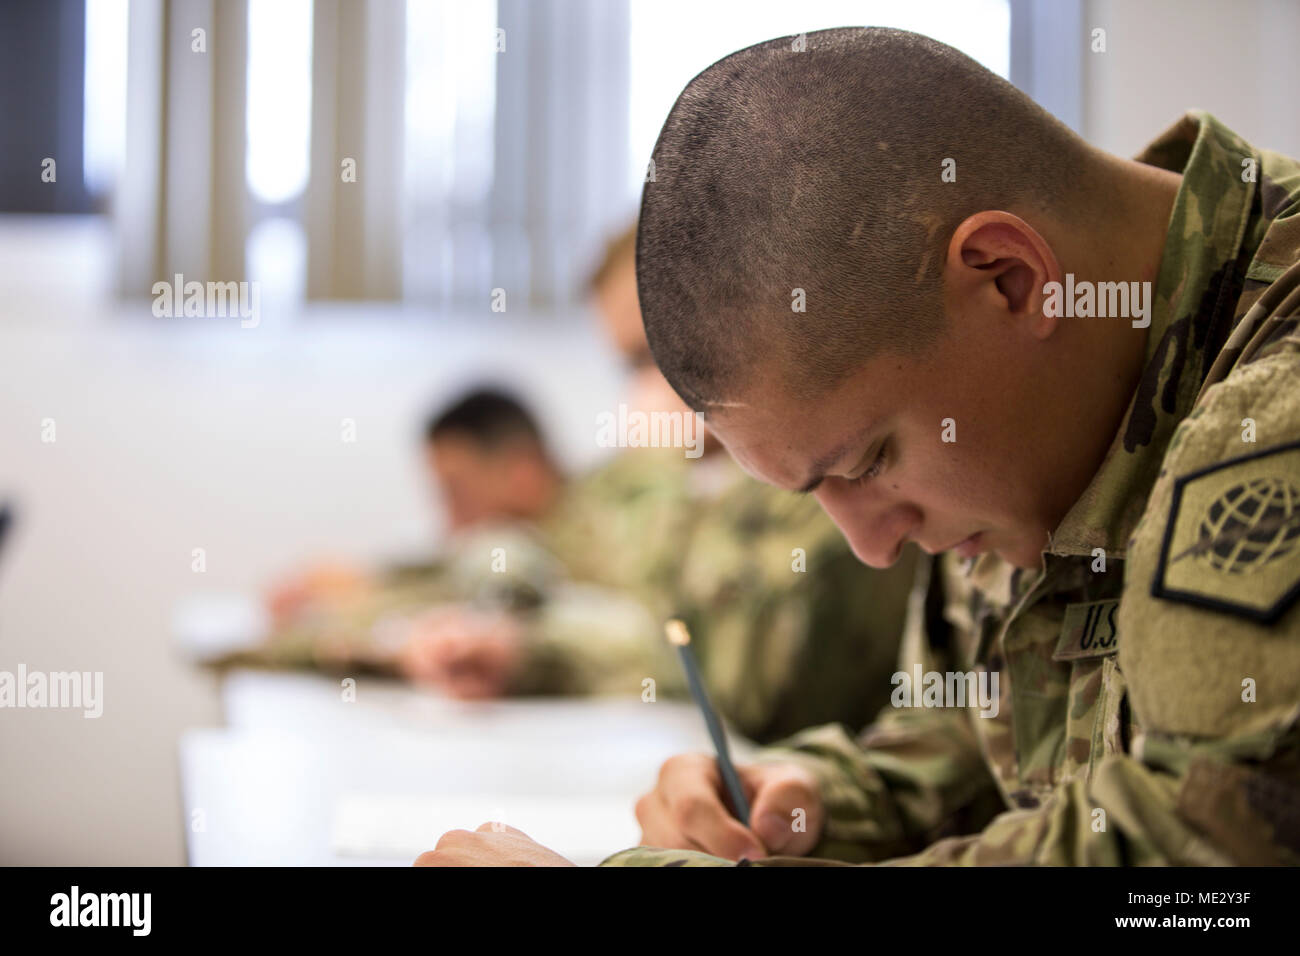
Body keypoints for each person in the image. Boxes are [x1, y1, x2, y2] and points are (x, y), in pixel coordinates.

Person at [416, 26, 1300, 867]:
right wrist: (817, 798)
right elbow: (978, 739)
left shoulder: (1275, 402)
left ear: (1014, 280)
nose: (872, 546)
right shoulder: (1039, 425)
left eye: (871, 463)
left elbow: (1201, 885)